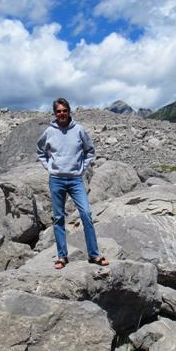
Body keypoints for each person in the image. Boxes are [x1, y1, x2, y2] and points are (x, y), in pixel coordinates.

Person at [36, 98, 109, 270]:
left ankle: (94, 254)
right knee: (59, 218)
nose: (62, 114)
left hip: (76, 179)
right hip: (56, 179)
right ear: (55, 113)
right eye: (58, 111)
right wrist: (50, 167)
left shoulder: (79, 130)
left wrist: (82, 167)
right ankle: (62, 256)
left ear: (69, 111)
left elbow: (90, 150)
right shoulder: (49, 131)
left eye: (64, 110)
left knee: (86, 214)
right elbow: (40, 151)